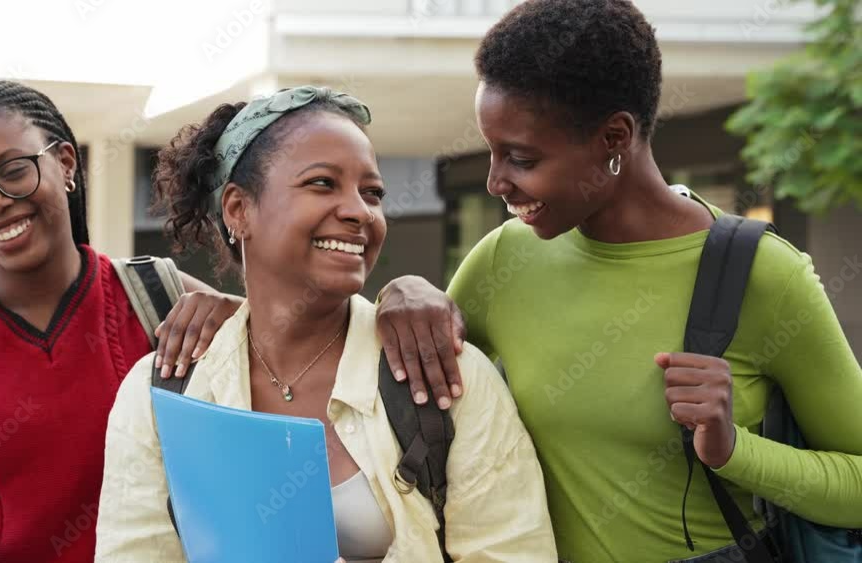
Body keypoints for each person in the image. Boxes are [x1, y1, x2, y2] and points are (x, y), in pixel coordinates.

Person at [371, 1, 862, 562]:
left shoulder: (763, 276)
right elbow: (414, 400)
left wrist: (733, 451)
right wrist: (402, 291)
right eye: (491, 151)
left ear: (614, 138)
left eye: (520, 158)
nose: (493, 182)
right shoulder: (504, 258)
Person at [94, 86, 557, 562]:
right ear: (238, 209)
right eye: (322, 183)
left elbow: (513, 552)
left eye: (372, 192)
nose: (360, 211)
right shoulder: (162, 393)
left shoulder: (441, 379)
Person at [0, 80, 240, 563]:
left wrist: (237, 317)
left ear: (65, 164)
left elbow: (287, 379)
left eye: (13, 171)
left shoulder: (164, 300)